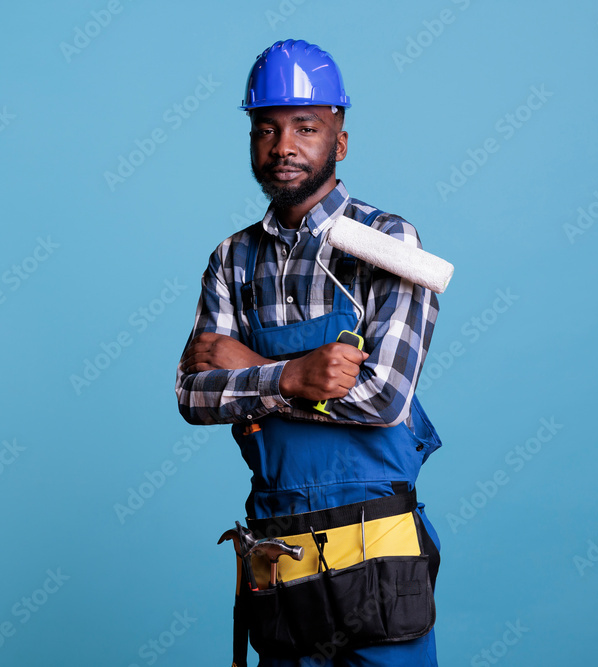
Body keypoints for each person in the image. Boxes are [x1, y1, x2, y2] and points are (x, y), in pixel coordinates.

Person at [176, 39, 444, 667]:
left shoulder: (388, 243)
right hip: (279, 553)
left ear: (339, 141)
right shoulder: (232, 259)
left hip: (379, 552)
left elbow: (383, 398)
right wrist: (296, 375)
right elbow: (192, 395)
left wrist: (251, 371)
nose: (284, 146)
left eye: (305, 127)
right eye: (266, 129)